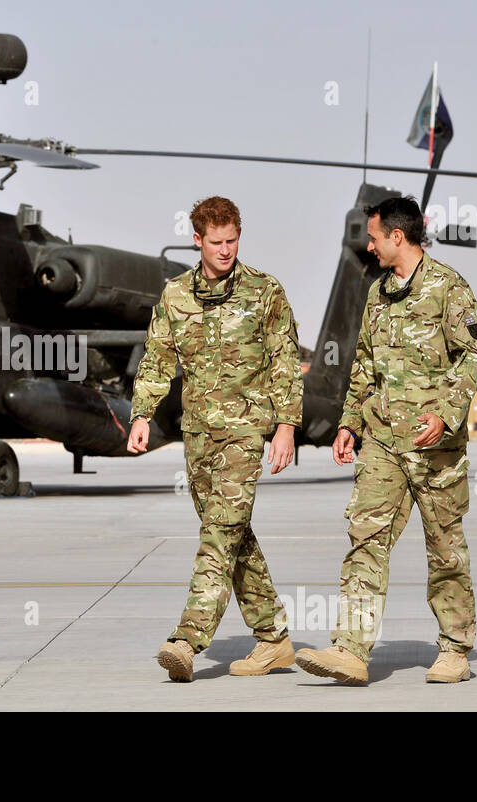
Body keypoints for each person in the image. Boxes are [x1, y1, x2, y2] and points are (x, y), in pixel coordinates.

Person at [294, 195, 477, 685]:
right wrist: (349, 423)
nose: (370, 245)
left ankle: (455, 649)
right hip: (381, 442)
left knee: (444, 549)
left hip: (433, 447)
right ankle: (352, 651)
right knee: (365, 540)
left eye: (374, 237)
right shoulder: (377, 293)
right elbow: (363, 367)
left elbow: (468, 360)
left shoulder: (448, 287)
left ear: (398, 236)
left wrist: (445, 414)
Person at [128, 195, 303, 682]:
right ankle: (273, 640)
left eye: (233, 241)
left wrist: (285, 426)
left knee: (218, 535)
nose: (225, 251)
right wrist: (142, 414)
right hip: (198, 435)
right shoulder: (175, 295)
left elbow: (285, 362)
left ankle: (187, 638)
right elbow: (158, 359)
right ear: (197, 239)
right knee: (233, 536)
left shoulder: (265, 291)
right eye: (216, 242)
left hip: (245, 435)